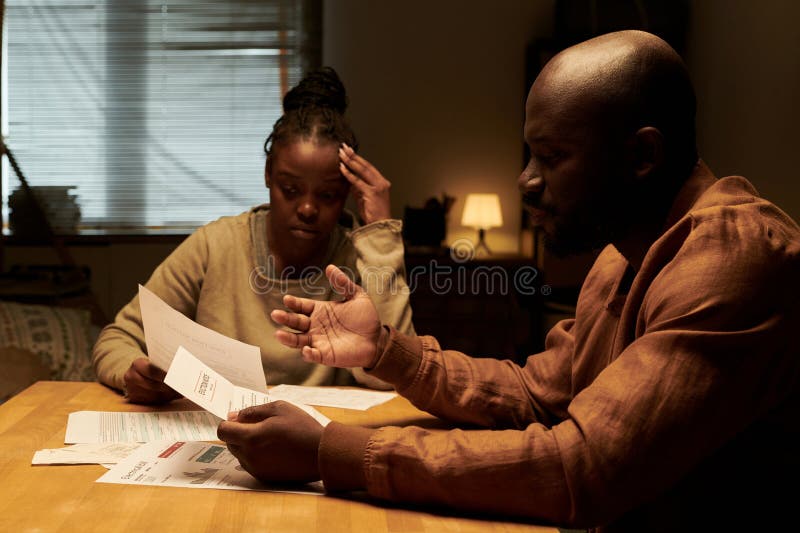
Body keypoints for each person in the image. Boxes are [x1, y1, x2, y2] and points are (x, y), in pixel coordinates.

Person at [216, 31, 800, 532]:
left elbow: (578, 468)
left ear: (642, 155)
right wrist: (387, 352)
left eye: (551, 155)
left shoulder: (734, 260)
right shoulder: (623, 255)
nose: (526, 181)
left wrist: (329, 450)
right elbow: (535, 394)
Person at [93, 67, 414, 404]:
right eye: (290, 189)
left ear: (348, 192)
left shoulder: (360, 256)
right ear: (267, 175)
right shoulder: (217, 246)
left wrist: (381, 234)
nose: (307, 208)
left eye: (328, 195)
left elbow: (396, 378)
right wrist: (135, 374)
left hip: (319, 441)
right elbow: (117, 337)